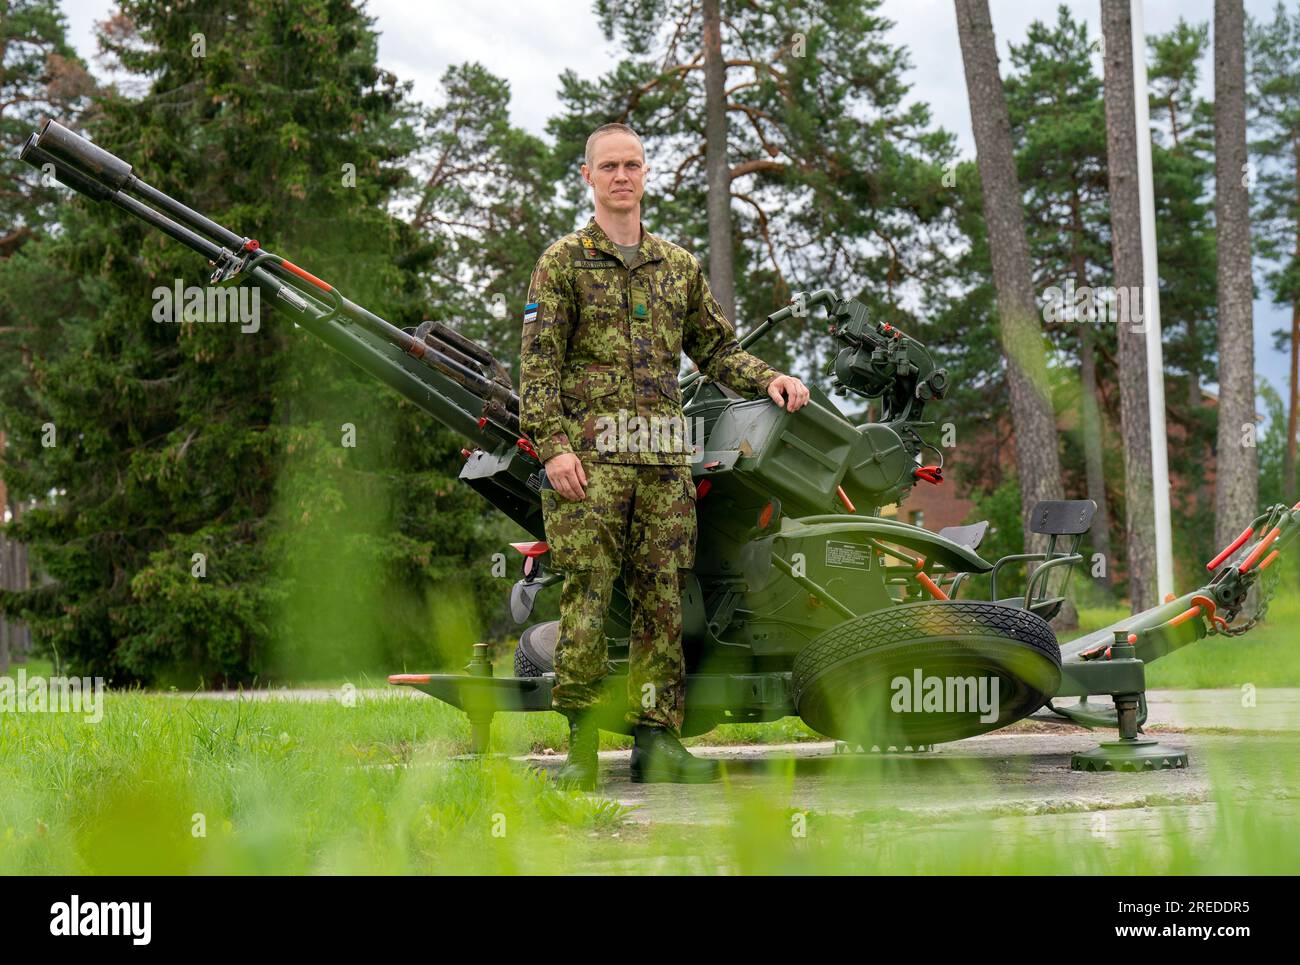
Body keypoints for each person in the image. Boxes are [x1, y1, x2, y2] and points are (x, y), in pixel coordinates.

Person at [519, 122, 809, 787]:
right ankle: (582, 751)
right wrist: (555, 448)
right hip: (590, 466)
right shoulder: (561, 261)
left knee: (663, 604)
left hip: (662, 467)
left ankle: (658, 742)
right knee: (588, 599)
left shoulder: (675, 265)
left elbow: (715, 348)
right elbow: (537, 371)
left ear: (646, 175)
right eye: (610, 166)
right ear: (588, 177)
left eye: (634, 165)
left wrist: (768, 378)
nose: (623, 176)